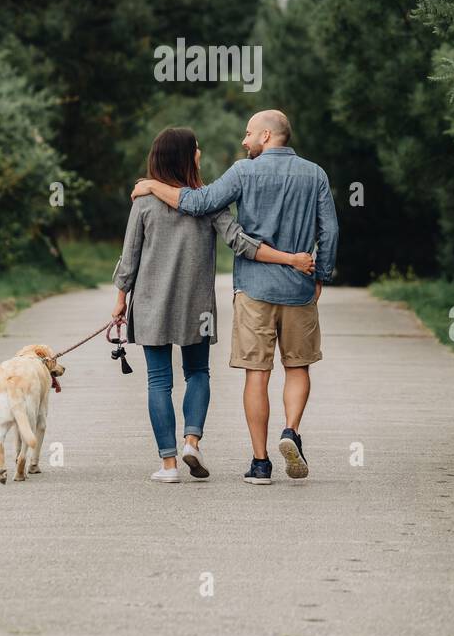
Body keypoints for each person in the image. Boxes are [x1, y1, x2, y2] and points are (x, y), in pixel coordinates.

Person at [131, 110, 338, 484]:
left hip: (254, 291)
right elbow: (331, 229)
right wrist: (320, 273)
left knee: (256, 375)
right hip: (298, 288)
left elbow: (198, 202)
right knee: (297, 368)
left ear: (265, 136)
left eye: (247, 134)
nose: (243, 141)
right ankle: (290, 430)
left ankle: (260, 463)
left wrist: (151, 186)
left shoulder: (243, 173)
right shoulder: (317, 174)